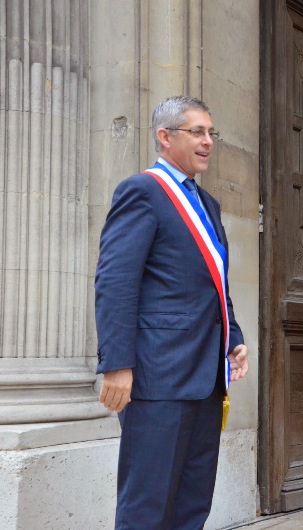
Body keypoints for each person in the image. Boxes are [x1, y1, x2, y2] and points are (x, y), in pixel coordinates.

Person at [95, 95, 249, 529]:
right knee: (148, 505)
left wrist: (233, 338)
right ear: (165, 137)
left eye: (210, 133)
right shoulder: (141, 191)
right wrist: (117, 364)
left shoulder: (209, 204)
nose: (208, 142)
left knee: (191, 505)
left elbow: (215, 282)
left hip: (205, 378)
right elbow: (115, 282)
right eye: (196, 132)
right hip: (157, 379)